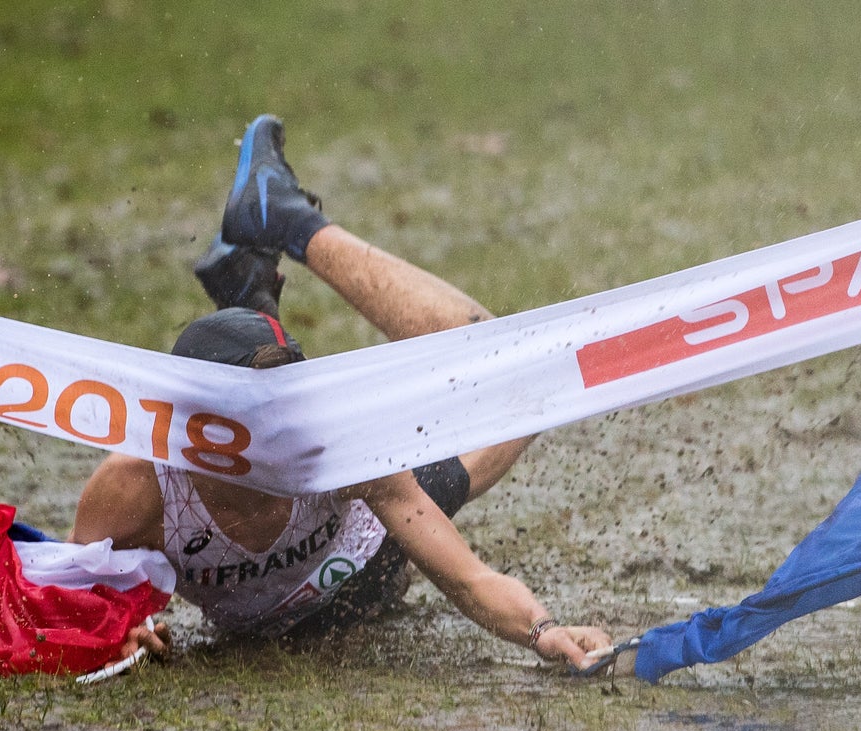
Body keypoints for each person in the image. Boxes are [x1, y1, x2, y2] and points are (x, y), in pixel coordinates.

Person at [70, 115, 614, 671]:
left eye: (292, 411)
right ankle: (248, 280)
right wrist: (118, 629)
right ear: (192, 431)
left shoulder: (336, 444)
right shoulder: (134, 485)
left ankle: (287, 224)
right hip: (280, 615)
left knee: (509, 375)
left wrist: (545, 632)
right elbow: (70, 600)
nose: (284, 439)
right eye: (262, 424)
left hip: (369, 559)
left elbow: (471, 578)